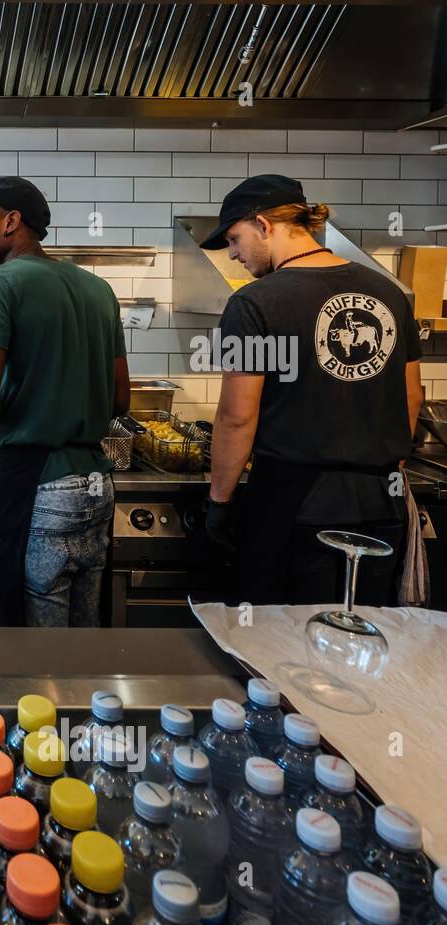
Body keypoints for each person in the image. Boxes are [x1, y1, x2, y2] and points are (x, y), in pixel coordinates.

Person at [201, 175, 423, 606]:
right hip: (382, 506)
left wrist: (220, 501)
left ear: (264, 225)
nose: (233, 254)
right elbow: (411, 397)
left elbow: (236, 417)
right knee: (362, 639)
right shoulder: (391, 294)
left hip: (293, 506)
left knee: (282, 648)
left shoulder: (254, 303)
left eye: (234, 239)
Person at [0, 177, 130, 626]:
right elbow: (120, 399)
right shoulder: (98, 289)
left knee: (37, 653)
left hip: (39, 490)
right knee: (83, 645)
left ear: (11, 222)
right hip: (95, 487)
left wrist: (10, 399)